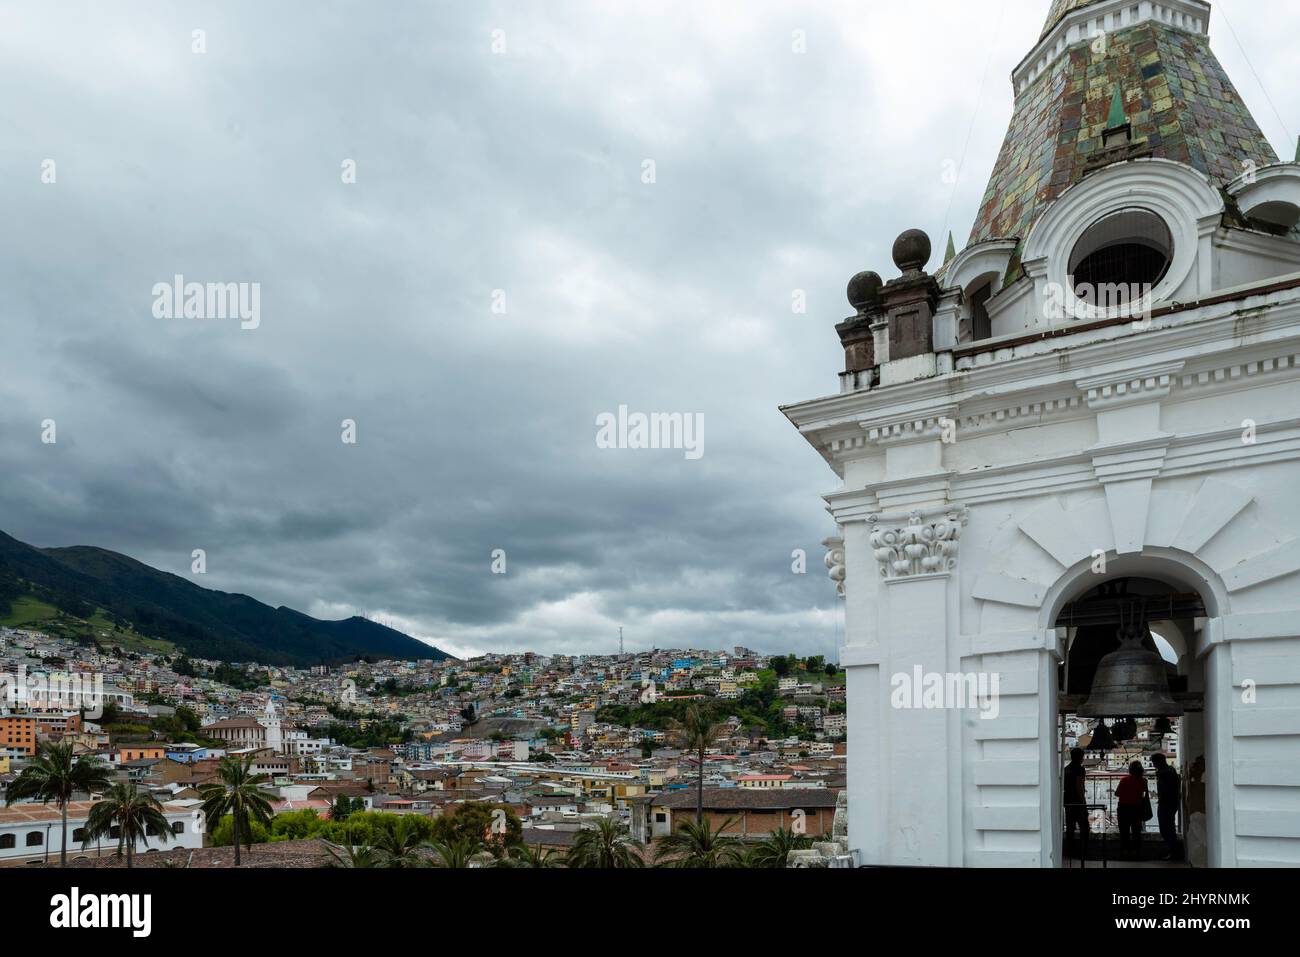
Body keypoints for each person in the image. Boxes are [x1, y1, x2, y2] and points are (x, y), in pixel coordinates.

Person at [1115, 760, 1149, 860]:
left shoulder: (1124, 780)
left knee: (1124, 832)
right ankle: (1137, 853)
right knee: (1136, 832)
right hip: (1137, 809)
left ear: (1130, 770)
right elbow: (1143, 794)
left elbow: (1117, 793)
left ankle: (1125, 853)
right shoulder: (1144, 781)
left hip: (1123, 808)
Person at [1151, 752, 1182, 861]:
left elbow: (1164, 789)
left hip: (1166, 804)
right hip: (1170, 803)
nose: (1153, 765)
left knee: (1166, 828)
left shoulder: (1164, 773)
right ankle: (1173, 851)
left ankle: (1173, 851)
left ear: (1158, 762)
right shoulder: (1170, 770)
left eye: (1154, 762)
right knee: (1169, 827)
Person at [1063, 747, 1089, 862]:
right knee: (1085, 827)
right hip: (1078, 802)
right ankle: (1083, 852)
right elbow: (1079, 787)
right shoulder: (1080, 769)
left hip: (1068, 801)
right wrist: (1083, 802)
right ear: (1080, 757)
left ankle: (1070, 851)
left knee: (1070, 828)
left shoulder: (1066, 769)